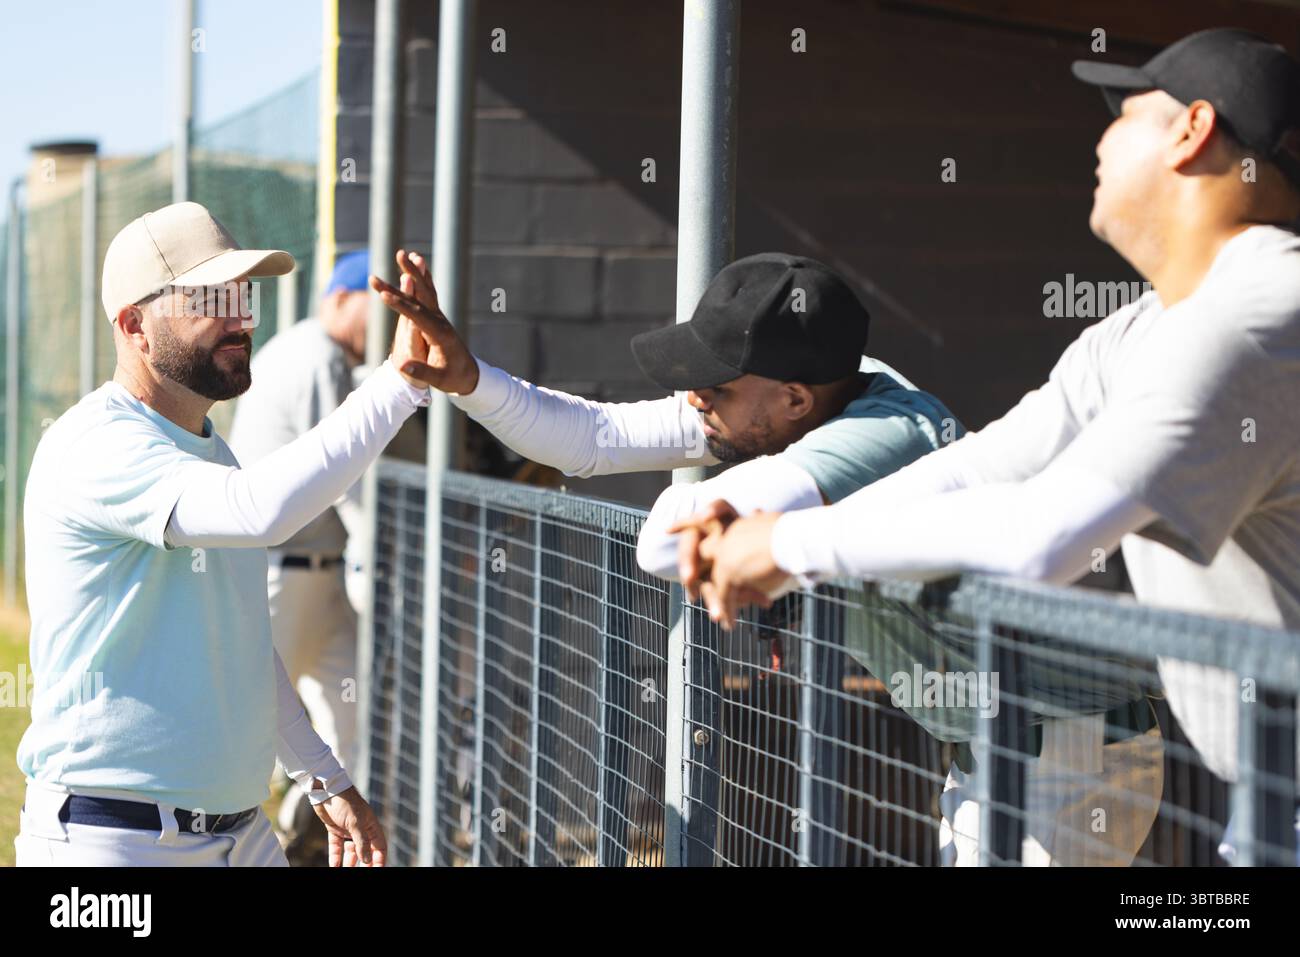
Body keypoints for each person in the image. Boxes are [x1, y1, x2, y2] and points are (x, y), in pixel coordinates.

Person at [683, 28, 1300, 864]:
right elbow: (987, 465)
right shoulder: (1145, 328)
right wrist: (771, 530)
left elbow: (1043, 534)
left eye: (1124, 112)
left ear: (1191, 131)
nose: (1102, 136)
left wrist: (789, 545)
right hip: (1267, 804)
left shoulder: (1261, 308)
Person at [378, 248, 1164, 865]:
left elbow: (665, 536)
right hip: (1001, 739)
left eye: (716, 384)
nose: (695, 398)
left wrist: (738, 518)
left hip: (1067, 746)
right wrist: (470, 380)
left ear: (793, 397)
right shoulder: (797, 401)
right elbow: (595, 438)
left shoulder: (878, 432)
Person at [15, 201, 434, 866]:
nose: (239, 316)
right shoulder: (96, 444)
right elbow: (257, 510)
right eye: (211, 296)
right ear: (135, 326)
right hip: (115, 843)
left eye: (242, 294)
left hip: (238, 833)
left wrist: (324, 777)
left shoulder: (211, 451)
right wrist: (399, 382)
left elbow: (242, 644)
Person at [229, 249, 372, 863]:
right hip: (283, 573)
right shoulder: (316, 355)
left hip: (314, 574)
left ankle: (304, 833)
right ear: (340, 299)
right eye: (380, 309)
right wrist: (377, 561)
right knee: (246, 719)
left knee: (344, 716)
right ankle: (235, 838)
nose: (390, 328)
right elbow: (340, 477)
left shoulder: (319, 352)